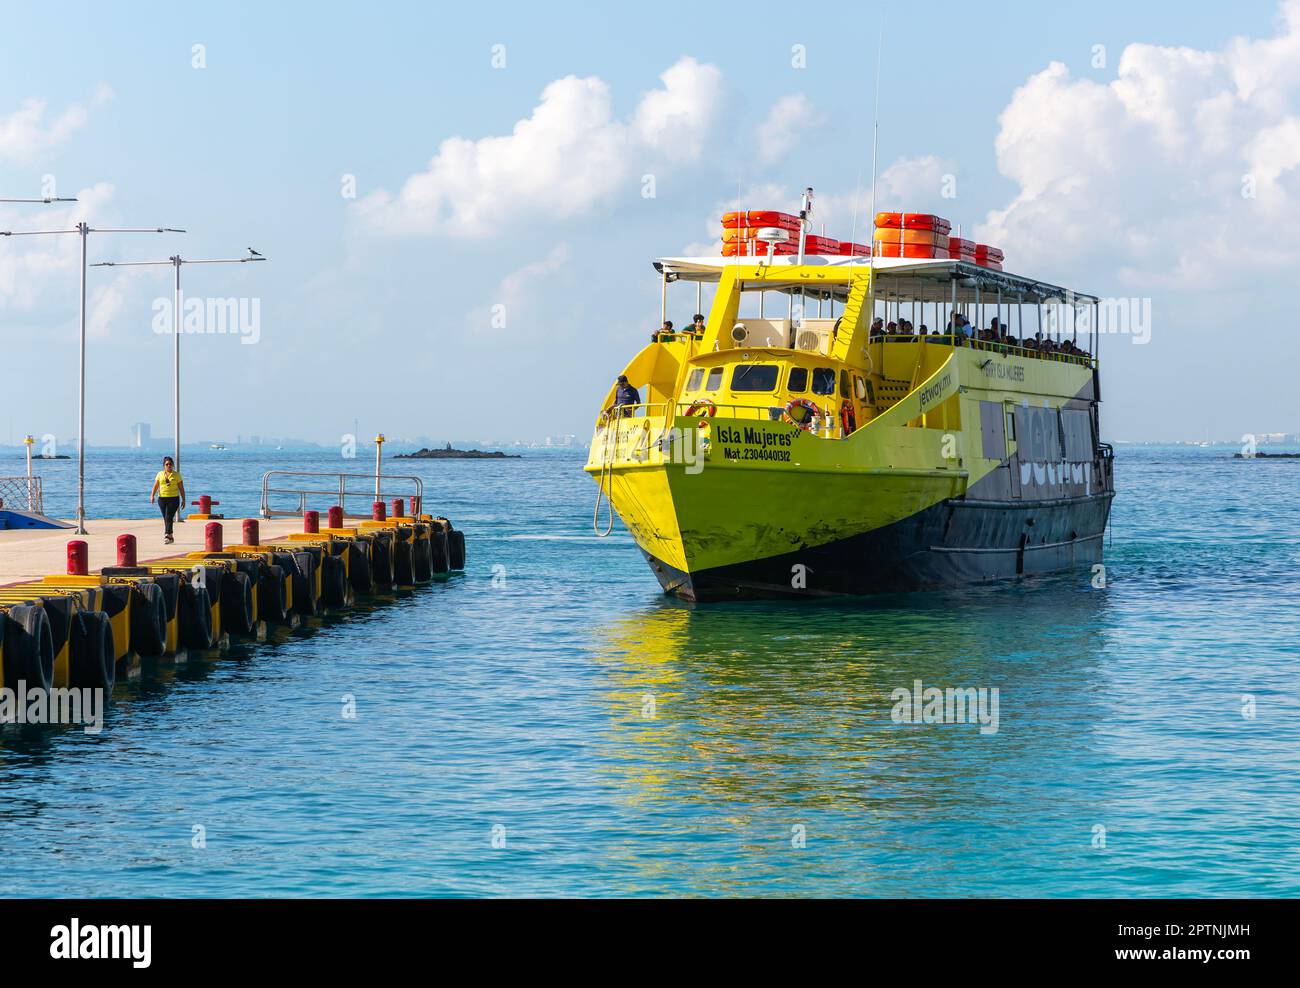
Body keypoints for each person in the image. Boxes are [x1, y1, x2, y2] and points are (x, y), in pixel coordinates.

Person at [149, 455, 186, 544]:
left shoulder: (177, 475)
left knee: (168, 516)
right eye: (167, 464)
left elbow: (181, 488)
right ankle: (171, 536)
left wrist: (184, 499)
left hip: (173, 499)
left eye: (170, 464)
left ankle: (167, 535)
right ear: (164, 465)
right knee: (166, 518)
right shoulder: (160, 474)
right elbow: (156, 485)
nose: (168, 466)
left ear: (173, 465)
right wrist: (152, 495)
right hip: (162, 499)